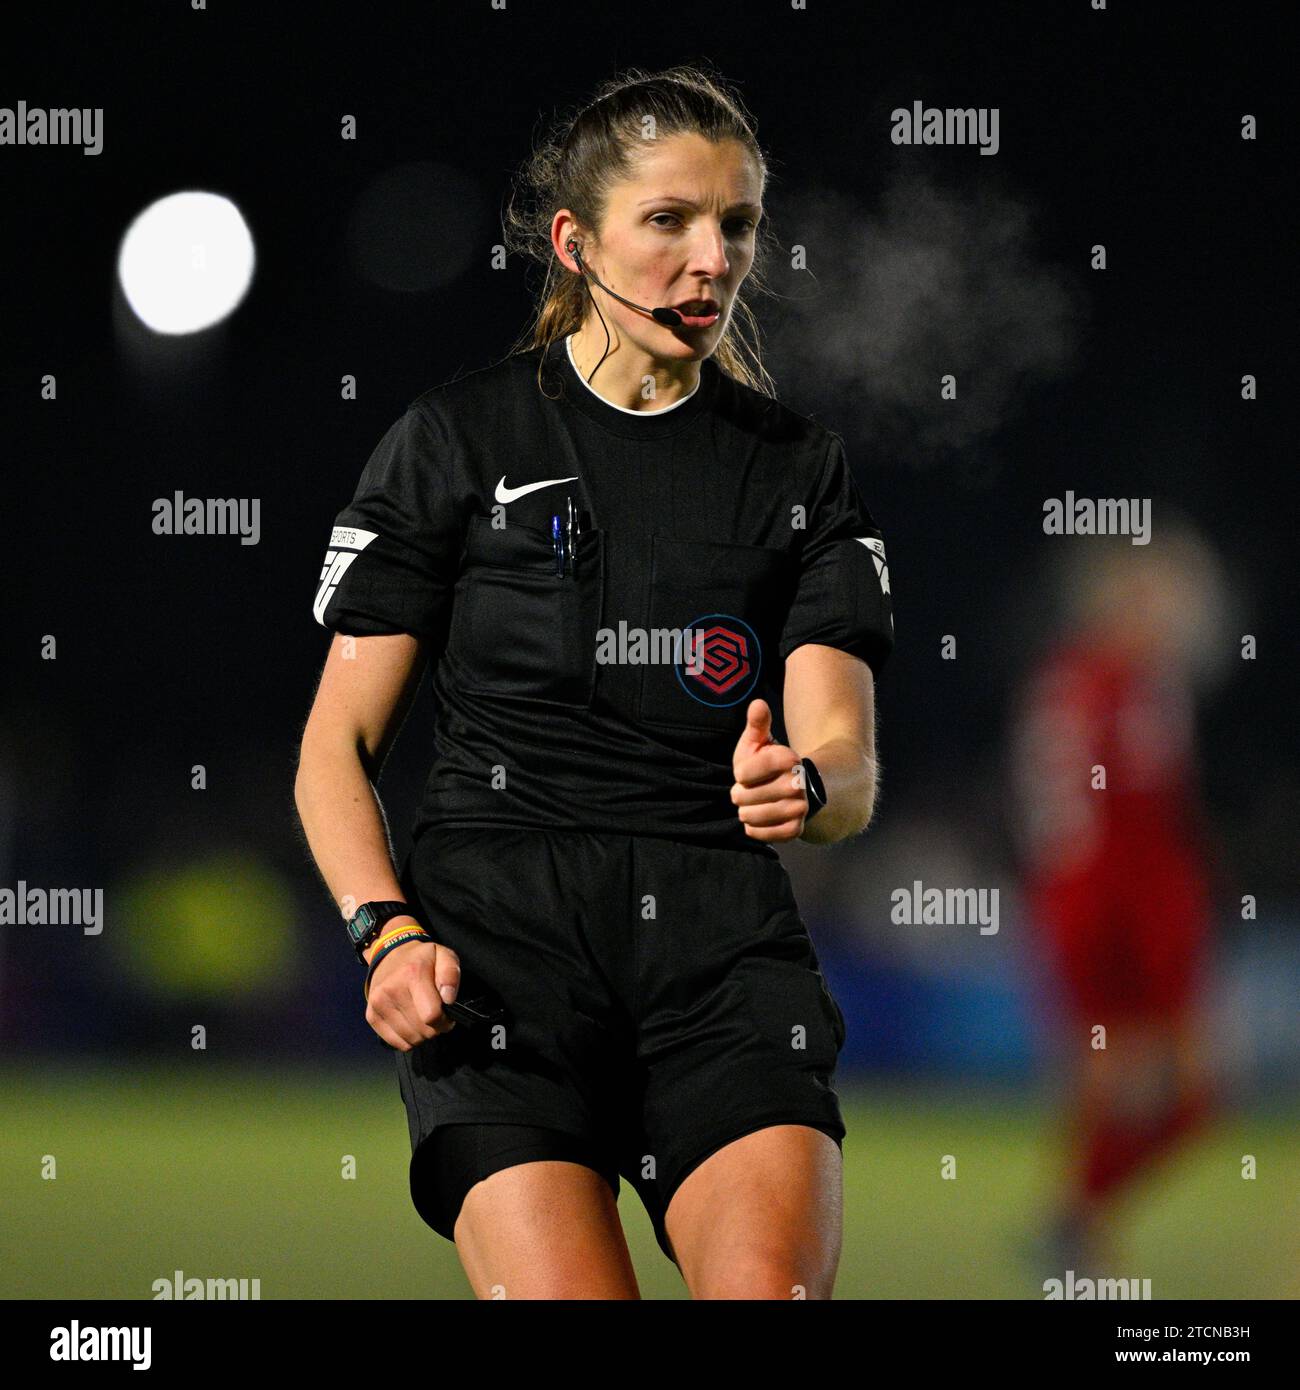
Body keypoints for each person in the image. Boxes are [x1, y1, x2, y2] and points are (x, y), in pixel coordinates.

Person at [294, 65, 894, 1300]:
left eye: (733, 224)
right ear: (576, 243)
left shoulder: (798, 469)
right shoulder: (458, 440)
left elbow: (846, 762)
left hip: (722, 958)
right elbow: (332, 751)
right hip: (500, 966)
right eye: (668, 220)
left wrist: (807, 782)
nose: (710, 258)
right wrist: (382, 931)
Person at [1009, 526, 1227, 1274]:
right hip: (1120, 906)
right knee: (1192, 1093)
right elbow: (1141, 821)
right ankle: (1073, 1228)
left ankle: (1074, 1232)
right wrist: (1172, 940)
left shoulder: (1066, 678)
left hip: (1067, 899)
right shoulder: (1132, 688)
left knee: (1119, 1088)